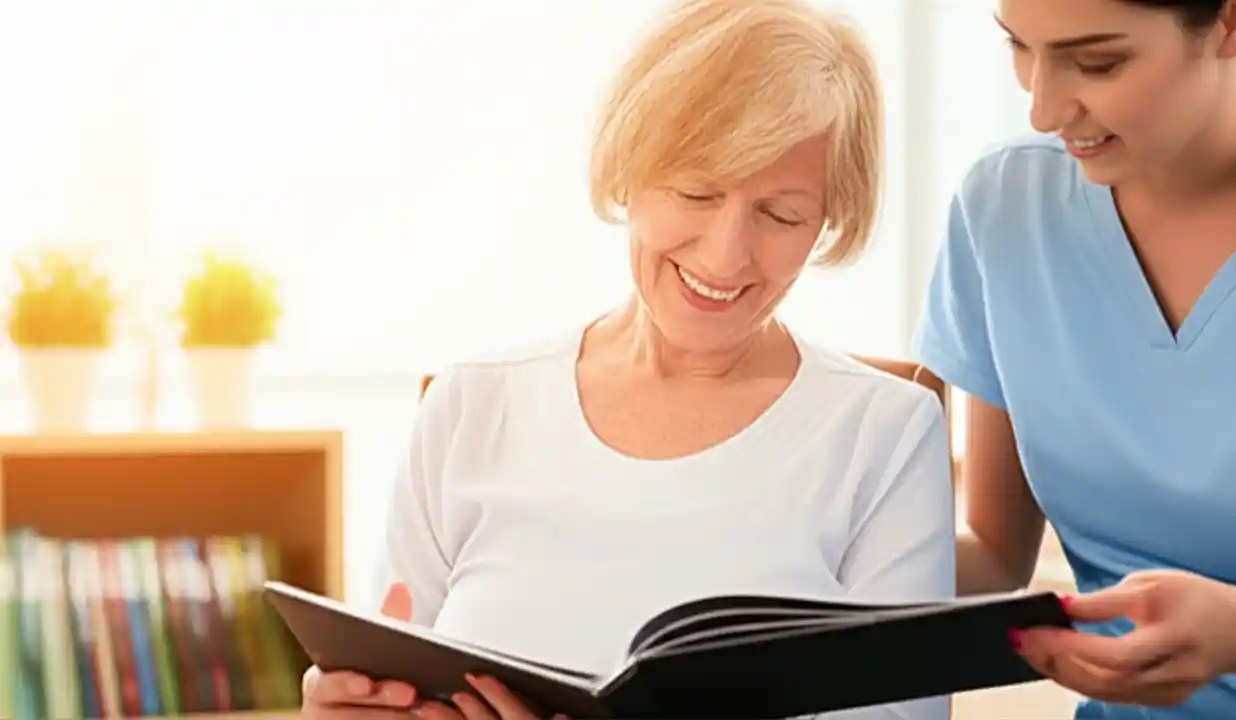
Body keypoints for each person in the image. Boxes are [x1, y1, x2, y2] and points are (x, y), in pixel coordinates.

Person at [303, 1, 956, 719]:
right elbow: (391, 677)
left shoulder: (885, 434)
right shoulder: (470, 406)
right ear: (630, 168)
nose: (726, 255)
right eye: (697, 192)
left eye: (781, 215)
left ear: (827, 219)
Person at [913, 0, 1236, 717]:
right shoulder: (1006, 206)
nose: (1043, 110)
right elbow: (994, 555)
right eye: (1019, 46)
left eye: (1098, 63)